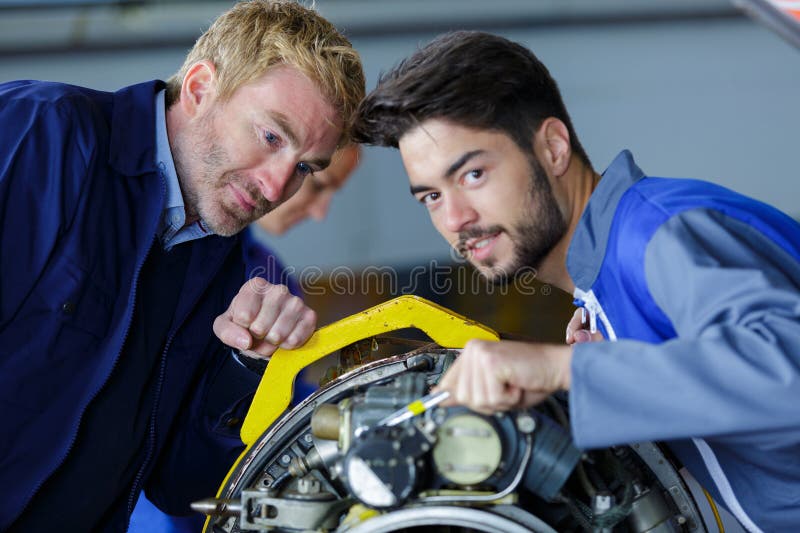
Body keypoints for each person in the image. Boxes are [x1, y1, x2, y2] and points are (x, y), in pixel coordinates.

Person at [353, 31, 799, 532]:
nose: (455, 219)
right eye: (431, 197)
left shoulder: (656, 234)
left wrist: (565, 369)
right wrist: (611, 371)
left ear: (553, 148)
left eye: (473, 174)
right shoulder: (604, 283)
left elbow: (789, 370)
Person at [0, 0, 364, 530]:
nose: (275, 188)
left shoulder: (228, 269)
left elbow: (178, 485)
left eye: (305, 167)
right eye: (270, 137)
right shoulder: (38, 133)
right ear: (198, 89)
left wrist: (247, 366)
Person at [129, 143, 361, 532]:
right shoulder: (170, 259)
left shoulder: (272, 277)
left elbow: (282, 396)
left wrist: (344, 400)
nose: (321, 212)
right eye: (315, 180)